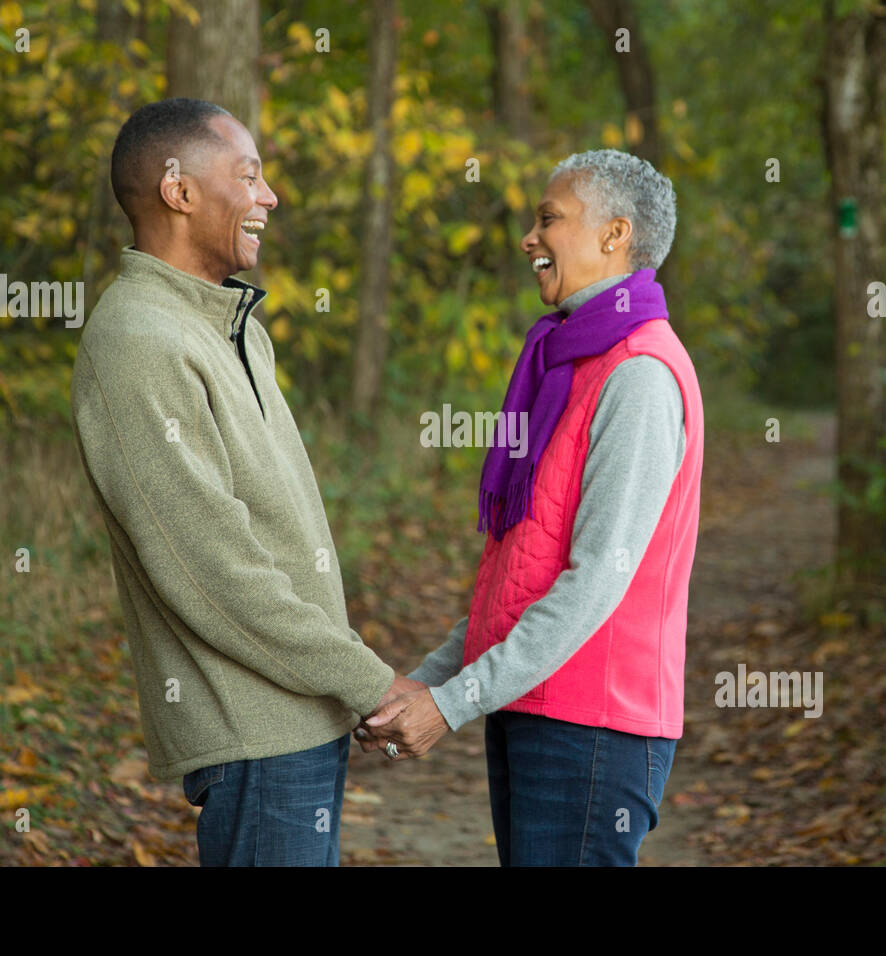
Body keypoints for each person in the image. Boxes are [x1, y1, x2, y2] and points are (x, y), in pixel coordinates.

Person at [70, 98, 421, 866]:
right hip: (254, 736)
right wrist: (369, 681)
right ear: (179, 191)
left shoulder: (234, 330)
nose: (270, 197)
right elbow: (211, 569)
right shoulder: (137, 341)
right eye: (249, 175)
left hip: (301, 721)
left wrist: (342, 686)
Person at [362, 149, 704, 866]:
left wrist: (452, 704)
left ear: (615, 235)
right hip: (537, 713)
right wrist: (424, 684)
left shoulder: (639, 373)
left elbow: (593, 583)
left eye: (549, 218)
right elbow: (523, 573)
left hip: (593, 729)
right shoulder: (567, 365)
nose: (528, 237)